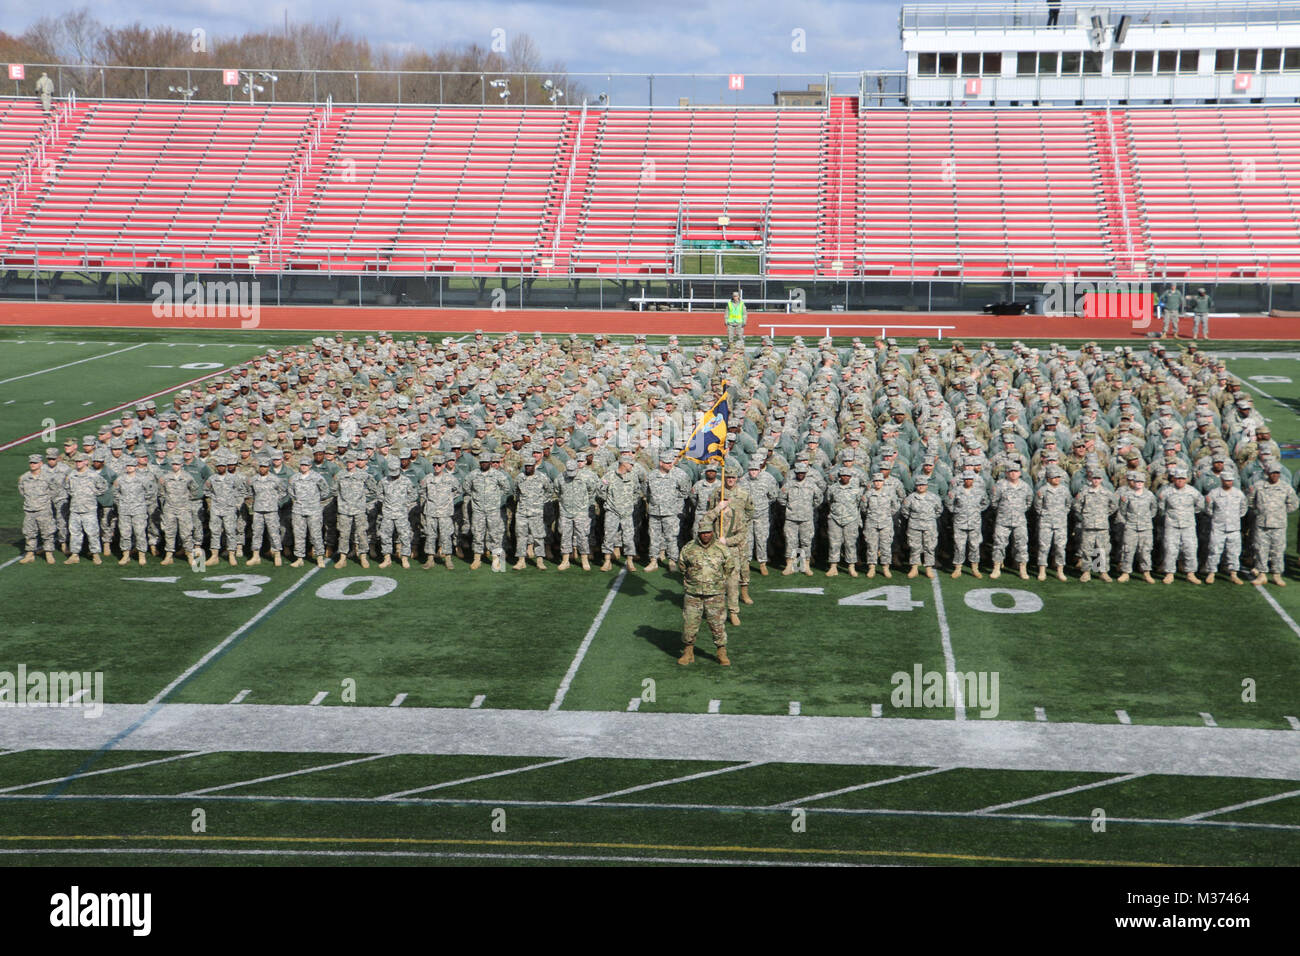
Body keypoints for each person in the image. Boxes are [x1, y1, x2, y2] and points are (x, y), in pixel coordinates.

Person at [677, 517, 736, 667]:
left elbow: (730, 565)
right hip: (693, 594)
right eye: (703, 533)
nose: (706, 535)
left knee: (717, 624)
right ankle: (688, 651)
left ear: (712, 532)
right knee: (689, 624)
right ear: (699, 533)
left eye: (709, 532)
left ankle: (721, 652)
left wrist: (720, 579)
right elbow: (682, 566)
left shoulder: (721, 549)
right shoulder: (688, 548)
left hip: (715, 594)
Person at [18, 454, 57, 564]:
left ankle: (49, 553)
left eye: (35, 463)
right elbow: (22, 492)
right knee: (29, 533)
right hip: (29, 510)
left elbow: (54, 491)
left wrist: (44, 501)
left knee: (47, 532)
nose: (33, 465)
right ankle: (30, 554)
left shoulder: (48, 477)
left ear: (41, 464)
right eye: (31, 462)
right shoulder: (24, 477)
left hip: (43, 510)